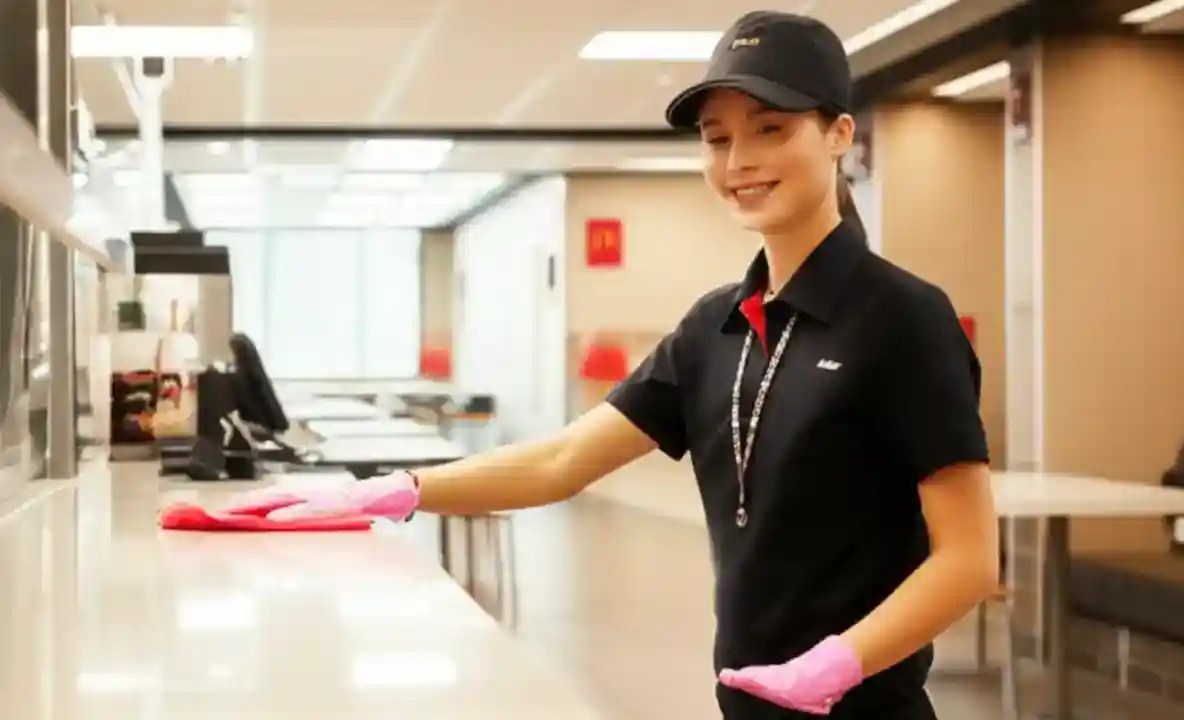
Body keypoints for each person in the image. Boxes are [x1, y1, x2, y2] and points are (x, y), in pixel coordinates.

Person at [228, 11, 999, 719]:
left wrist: (838, 665)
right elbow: (563, 459)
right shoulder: (714, 326)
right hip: (747, 706)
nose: (740, 160)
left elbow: (968, 559)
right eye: (717, 138)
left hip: (865, 709)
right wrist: (394, 492)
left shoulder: (904, 319)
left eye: (770, 129)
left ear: (838, 135)